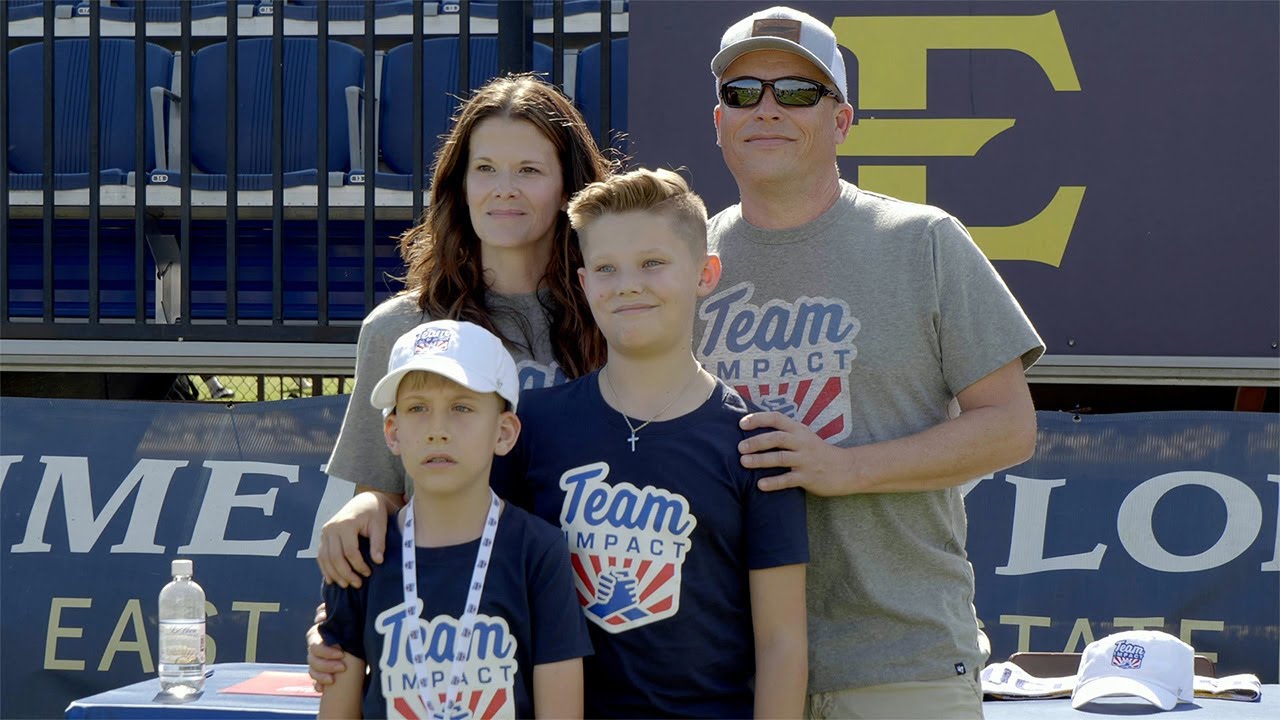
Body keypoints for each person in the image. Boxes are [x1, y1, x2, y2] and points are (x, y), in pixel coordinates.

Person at [701, 7, 1045, 719]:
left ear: (842, 121)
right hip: (729, 670)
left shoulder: (923, 240)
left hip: (902, 659)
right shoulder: (680, 265)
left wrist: (843, 469)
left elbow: (1010, 428)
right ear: (719, 121)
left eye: (797, 92)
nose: (767, 109)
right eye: (743, 93)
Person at [502, 168, 808, 717]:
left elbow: (782, 642)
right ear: (583, 283)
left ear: (705, 273)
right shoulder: (531, 428)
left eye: (652, 264)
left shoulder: (755, 441)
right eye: (606, 269)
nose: (628, 285)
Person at [316, 74, 612, 593]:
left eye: (529, 170)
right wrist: (359, 511)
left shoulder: (613, 317)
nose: (504, 188)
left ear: (569, 186)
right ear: (460, 184)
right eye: (485, 169)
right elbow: (384, 491)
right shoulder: (400, 329)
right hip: (460, 622)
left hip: (596, 605)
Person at [317, 319, 591, 719]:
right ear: (392, 432)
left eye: (461, 407)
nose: (437, 430)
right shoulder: (361, 556)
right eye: (417, 409)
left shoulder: (539, 552)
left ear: (504, 432)